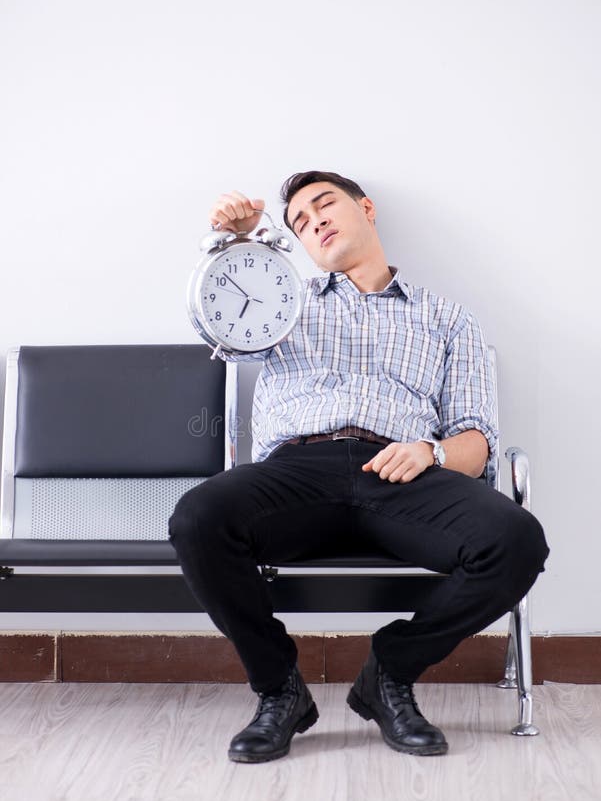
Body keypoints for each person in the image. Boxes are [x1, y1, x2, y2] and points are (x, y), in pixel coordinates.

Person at [169, 171, 549, 764]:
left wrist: (433, 452)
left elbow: (477, 437)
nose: (314, 220)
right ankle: (280, 691)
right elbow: (225, 308)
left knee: (518, 540)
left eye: (325, 204)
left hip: (404, 473)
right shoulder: (282, 304)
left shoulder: (448, 319)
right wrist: (242, 243)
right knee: (197, 517)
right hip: (298, 472)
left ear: (365, 209)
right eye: (299, 222)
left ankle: (389, 674)